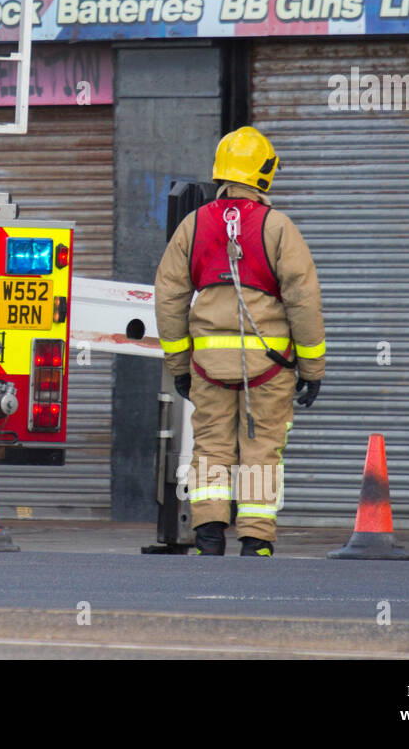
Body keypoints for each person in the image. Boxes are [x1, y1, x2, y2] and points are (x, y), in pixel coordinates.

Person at [153, 126, 325, 557]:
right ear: (263, 173)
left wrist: (179, 366)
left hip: (209, 368)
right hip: (268, 367)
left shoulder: (193, 225)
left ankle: (208, 538)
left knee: (210, 446)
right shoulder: (278, 228)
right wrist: (312, 369)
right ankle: (256, 541)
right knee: (261, 448)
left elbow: (169, 296)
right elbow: (303, 300)